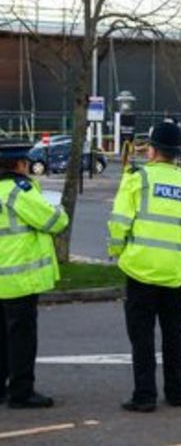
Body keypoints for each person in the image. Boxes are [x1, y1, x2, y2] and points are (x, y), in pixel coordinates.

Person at [108, 122, 181, 413]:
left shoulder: (136, 179)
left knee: (142, 336)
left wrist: (116, 252)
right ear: (178, 153)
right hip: (175, 274)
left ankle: (145, 395)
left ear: (152, 150)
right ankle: (175, 392)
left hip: (140, 270)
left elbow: (119, 224)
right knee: (174, 335)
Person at [0, 140, 69, 409]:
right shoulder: (20, 192)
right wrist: (58, 207)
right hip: (18, 279)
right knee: (21, 339)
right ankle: (21, 392)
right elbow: (56, 222)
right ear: (20, 164)